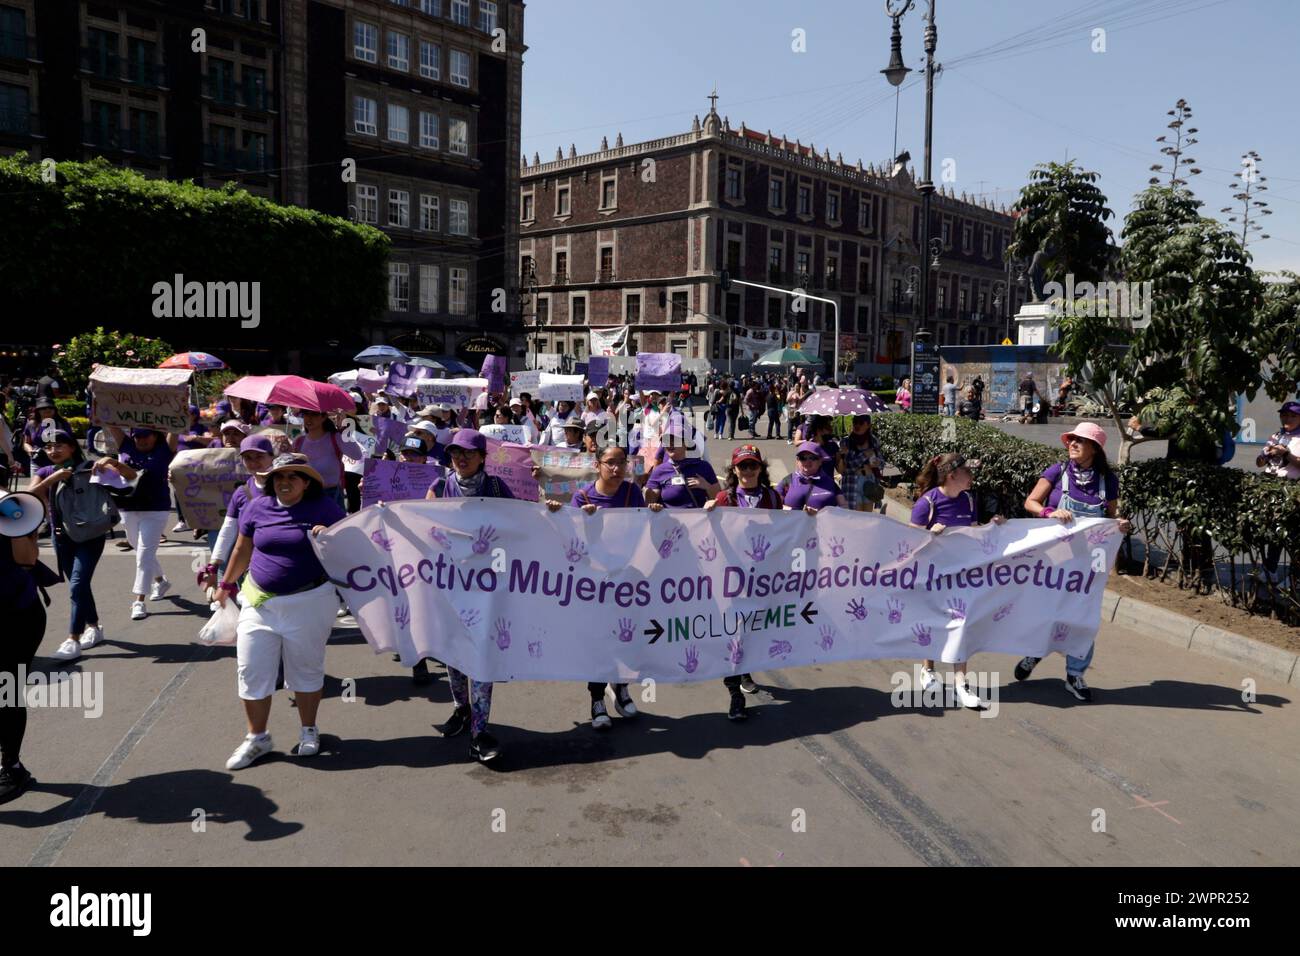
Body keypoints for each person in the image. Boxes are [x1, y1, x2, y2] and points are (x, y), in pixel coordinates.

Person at [216, 453, 345, 769]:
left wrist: (326, 539)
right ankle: (257, 738)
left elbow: (351, 546)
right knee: (251, 669)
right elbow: (242, 548)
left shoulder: (325, 508)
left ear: (306, 482)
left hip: (311, 601)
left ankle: (308, 730)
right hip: (259, 602)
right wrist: (226, 584)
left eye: (292, 477)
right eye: (278, 477)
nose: (284, 482)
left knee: (306, 668)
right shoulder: (257, 506)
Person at [1020, 422, 1131, 701]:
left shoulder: (1108, 480)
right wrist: (1049, 512)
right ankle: (1034, 653)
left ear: (1094, 448)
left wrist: (1120, 525)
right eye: (1071, 440)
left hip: (1091, 560)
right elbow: (1030, 502)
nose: (1072, 444)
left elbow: (1111, 518)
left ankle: (1075, 674)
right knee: (1050, 607)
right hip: (1057, 555)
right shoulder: (1057, 472)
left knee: (1084, 614)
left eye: (1080, 441)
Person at [546, 444, 651, 730]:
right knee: (599, 640)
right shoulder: (581, 497)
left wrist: (655, 512)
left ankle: (621, 687)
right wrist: (563, 514)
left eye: (621, 463)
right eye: (610, 463)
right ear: (598, 465)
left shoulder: (632, 493)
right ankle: (596, 699)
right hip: (595, 585)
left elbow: (644, 531)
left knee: (626, 636)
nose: (616, 468)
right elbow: (573, 542)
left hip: (627, 580)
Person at [424, 429, 511, 762]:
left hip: (487, 585)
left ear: (482, 457)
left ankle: (480, 729)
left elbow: (522, 524)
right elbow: (422, 525)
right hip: (450, 582)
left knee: (481, 656)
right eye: (455, 453)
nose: (460, 458)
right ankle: (462, 709)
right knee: (452, 653)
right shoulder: (439, 487)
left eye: (468, 453)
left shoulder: (496, 488)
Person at [909, 453, 1005, 708]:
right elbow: (910, 548)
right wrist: (931, 535)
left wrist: (992, 527)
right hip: (931, 577)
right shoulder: (926, 503)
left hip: (960, 577)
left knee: (961, 626)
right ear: (952, 475)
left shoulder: (968, 500)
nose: (972, 476)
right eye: (967, 471)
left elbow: (972, 535)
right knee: (933, 624)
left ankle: (961, 684)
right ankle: (927, 670)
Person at [702, 445, 782, 717]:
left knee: (752, 631)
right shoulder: (725, 498)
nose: (748, 471)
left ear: (761, 468)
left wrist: (805, 519)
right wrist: (708, 511)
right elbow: (708, 534)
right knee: (732, 633)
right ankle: (734, 693)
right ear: (734, 470)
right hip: (731, 580)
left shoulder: (772, 497)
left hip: (761, 579)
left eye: (753, 465)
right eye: (743, 466)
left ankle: (745, 670)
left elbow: (786, 530)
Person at [27, 431, 109, 662]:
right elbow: (25, 496)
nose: (53, 451)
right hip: (61, 537)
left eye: (59, 445)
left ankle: (73, 638)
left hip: (91, 534)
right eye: (49, 447)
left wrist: (111, 462)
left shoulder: (91, 466)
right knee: (79, 583)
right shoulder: (45, 472)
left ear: (72, 447)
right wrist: (50, 480)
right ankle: (94, 626)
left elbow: (129, 479)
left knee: (77, 584)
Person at [94, 426, 178, 621]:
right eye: (137, 436)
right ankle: (160, 580)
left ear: (156, 435)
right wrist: (100, 399)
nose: (141, 440)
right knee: (139, 549)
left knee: (143, 554)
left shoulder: (164, 449)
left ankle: (139, 601)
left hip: (156, 508)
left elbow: (177, 424)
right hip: (128, 507)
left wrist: (179, 405)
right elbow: (110, 420)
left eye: (145, 436)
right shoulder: (126, 445)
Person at [0, 493, 50, 803]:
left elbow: (28, 558)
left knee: (7, 691)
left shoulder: (8, 506)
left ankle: (13, 767)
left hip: (15, 617)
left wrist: (13, 521)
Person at [1255, 400, 1300, 584]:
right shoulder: (1276, 435)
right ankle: (1270, 570)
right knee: (1274, 533)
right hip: (1271, 486)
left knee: (1293, 536)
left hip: (1292, 488)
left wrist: (1286, 453)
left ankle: (1294, 577)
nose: (1287, 418)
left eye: (1292, 416)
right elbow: (1258, 463)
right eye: (1284, 415)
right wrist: (1265, 455)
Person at [292, 409, 362, 509]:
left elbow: (357, 455)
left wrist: (343, 430)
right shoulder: (298, 441)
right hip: (304, 497)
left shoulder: (336, 437)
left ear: (324, 417)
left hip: (331, 497)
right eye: (306, 414)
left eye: (314, 414)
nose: (309, 418)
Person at [644, 425, 720, 509]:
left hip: (699, 520)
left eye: (674, 440)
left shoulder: (704, 467)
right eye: (666, 441)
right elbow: (649, 502)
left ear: (686, 443)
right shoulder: (659, 471)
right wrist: (654, 505)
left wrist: (707, 486)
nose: (669, 444)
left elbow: (718, 498)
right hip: (669, 521)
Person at [837, 415, 886, 513]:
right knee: (857, 518)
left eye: (861, 423)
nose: (857, 425)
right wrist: (864, 455)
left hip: (870, 481)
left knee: (867, 518)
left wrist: (877, 463)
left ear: (868, 425)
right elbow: (848, 468)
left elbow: (882, 463)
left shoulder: (873, 441)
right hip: (853, 482)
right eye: (855, 422)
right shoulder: (846, 442)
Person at [779, 442, 847, 512]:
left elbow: (844, 506)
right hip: (794, 522)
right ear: (797, 461)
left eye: (813, 458)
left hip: (822, 522)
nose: (808, 461)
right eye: (803, 458)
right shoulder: (787, 481)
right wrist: (795, 511)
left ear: (820, 461)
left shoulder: (830, 482)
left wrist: (821, 513)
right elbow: (774, 505)